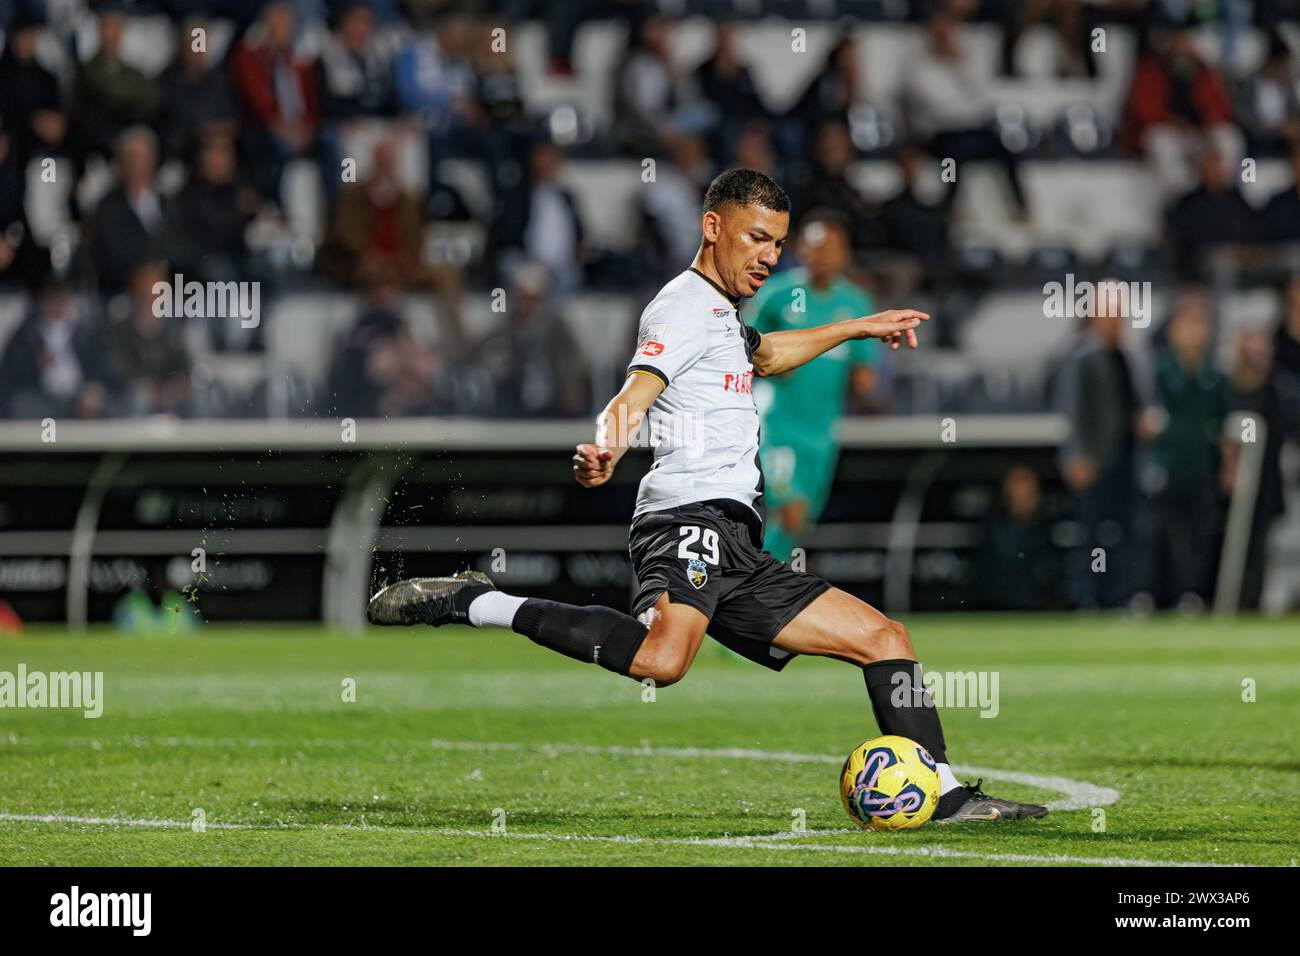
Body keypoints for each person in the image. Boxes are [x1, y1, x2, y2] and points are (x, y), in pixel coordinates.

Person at [368, 168, 1047, 824]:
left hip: (738, 541)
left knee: (884, 638)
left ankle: (948, 792)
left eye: (777, 243)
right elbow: (635, 392)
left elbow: (768, 354)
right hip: (684, 518)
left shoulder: (723, 316)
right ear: (713, 226)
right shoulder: (681, 306)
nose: (769, 257)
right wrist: (606, 444)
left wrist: (855, 326)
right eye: (757, 238)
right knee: (663, 661)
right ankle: (474, 601)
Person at [746, 209, 876, 562]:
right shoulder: (777, 295)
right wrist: (767, 364)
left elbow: (864, 374)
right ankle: (755, 597)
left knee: (798, 523)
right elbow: (739, 346)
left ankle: (758, 591)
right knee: (789, 511)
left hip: (820, 432)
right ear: (800, 249)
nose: (825, 255)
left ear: (845, 253)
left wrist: (867, 381)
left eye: (833, 247)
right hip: (776, 423)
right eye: (818, 247)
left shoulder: (855, 303)